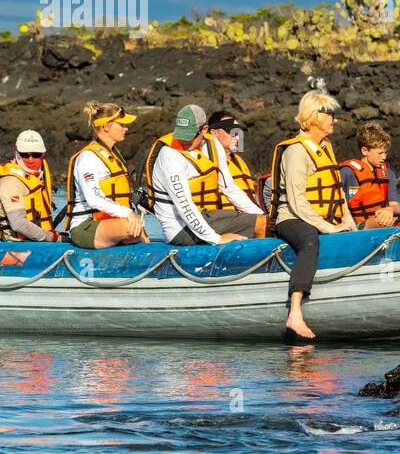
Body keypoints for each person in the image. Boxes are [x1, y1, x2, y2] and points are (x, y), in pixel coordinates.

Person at [270, 91, 356, 341]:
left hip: (323, 216)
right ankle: (295, 311)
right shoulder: (296, 152)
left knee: (358, 230)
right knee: (309, 240)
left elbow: (338, 194)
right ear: (314, 117)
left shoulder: (326, 147)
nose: (335, 120)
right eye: (330, 115)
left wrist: (348, 223)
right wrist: (327, 229)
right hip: (292, 218)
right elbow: (297, 202)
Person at [145, 105, 253, 246]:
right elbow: (185, 205)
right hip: (180, 229)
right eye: (182, 134)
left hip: (208, 216)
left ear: (204, 129)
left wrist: (262, 216)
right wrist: (216, 239)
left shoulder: (214, 145)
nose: (185, 141)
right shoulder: (169, 155)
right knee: (259, 227)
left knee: (263, 222)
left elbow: (230, 188)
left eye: (190, 135)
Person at [65, 102, 150, 249]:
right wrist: (128, 213)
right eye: (121, 124)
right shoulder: (88, 157)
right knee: (129, 226)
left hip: (110, 222)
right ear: (105, 126)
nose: (126, 128)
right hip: (86, 226)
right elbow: (94, 199)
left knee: (138, 229)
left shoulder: (114, 155)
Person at [199, 110, 268, 238]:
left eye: (238, 133)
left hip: (248, 221)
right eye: (232, 132)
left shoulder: (239, 162)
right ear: (213, 133)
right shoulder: (204, 161)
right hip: (221, 221)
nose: (237, 137)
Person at [0, 129, 62, 242]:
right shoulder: (10, 182)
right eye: (25, 155)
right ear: (17, 154)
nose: (30, 159)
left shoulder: (37, 178)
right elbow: (18, 224)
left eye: (36, 155)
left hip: (37, 242)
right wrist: (53, 238)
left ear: (43, 155)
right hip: (14, 246)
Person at [340, 122, 400, 229]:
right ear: (364, 151)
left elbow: (395, 205)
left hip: (381, 220)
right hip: (354, 224)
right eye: (380, 153)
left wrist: (389, 209)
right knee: (384, 223)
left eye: (385, 153)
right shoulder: (346, 173)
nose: (384, 157)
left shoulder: (389, 174)